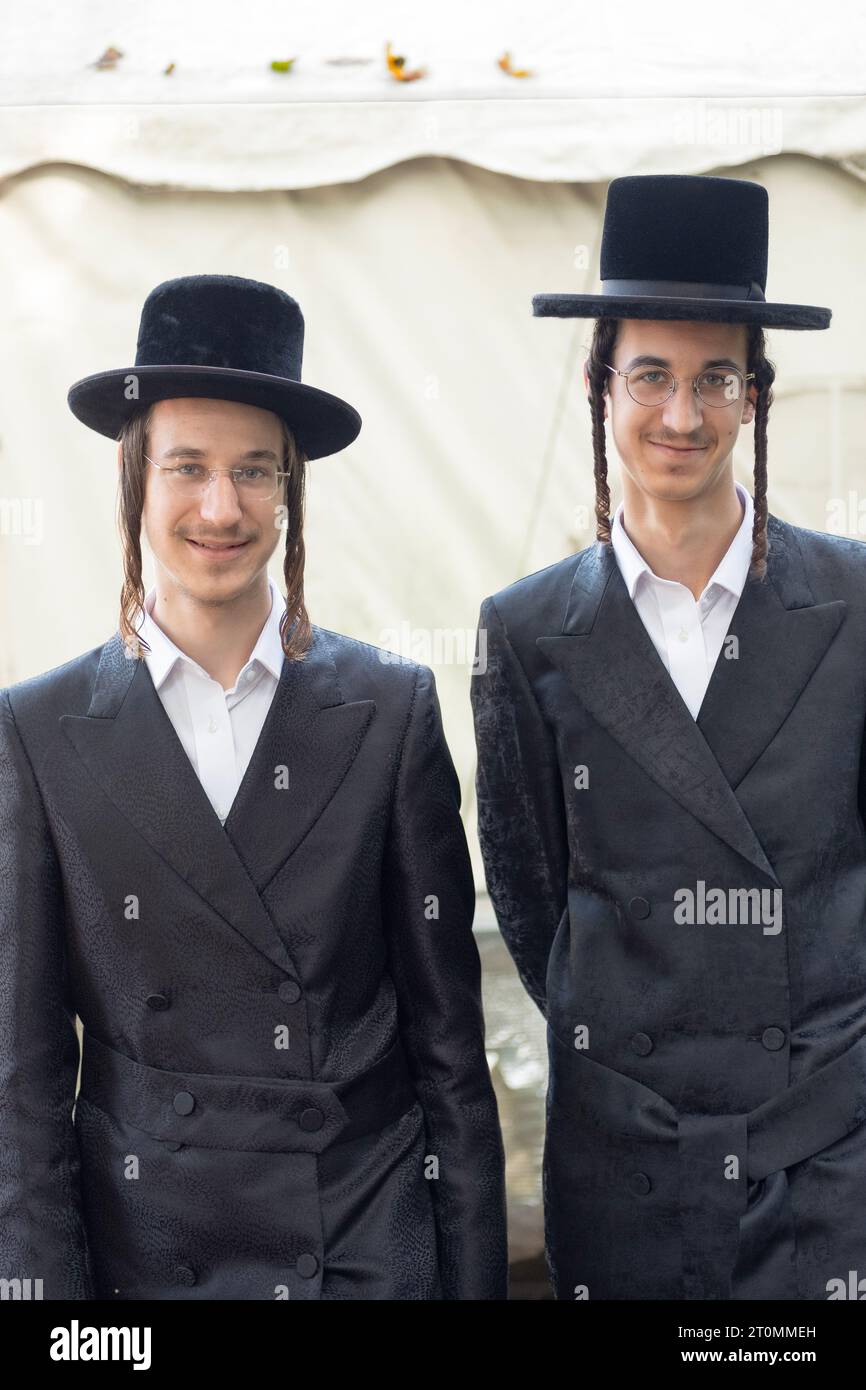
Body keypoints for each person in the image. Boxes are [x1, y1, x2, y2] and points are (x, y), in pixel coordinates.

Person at [0, 273, 507, 1301]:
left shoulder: (391, 707)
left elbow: (448, 1052)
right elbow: (24, 1086)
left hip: (363, 1244)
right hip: (145, 1257)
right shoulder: (38, 730)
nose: (221, 508)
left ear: (290, 491)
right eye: (187, 466)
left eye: (255, 471)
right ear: (134, 475)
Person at [471, 175, 866, 1300]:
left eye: (713, 379)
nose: (680, 415)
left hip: (822, 1165)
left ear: (755, 397)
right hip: (628, 1166)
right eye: (648, 375)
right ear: (601, 386)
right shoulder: (527, 631)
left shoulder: (849, 605)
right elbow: (540, 896)